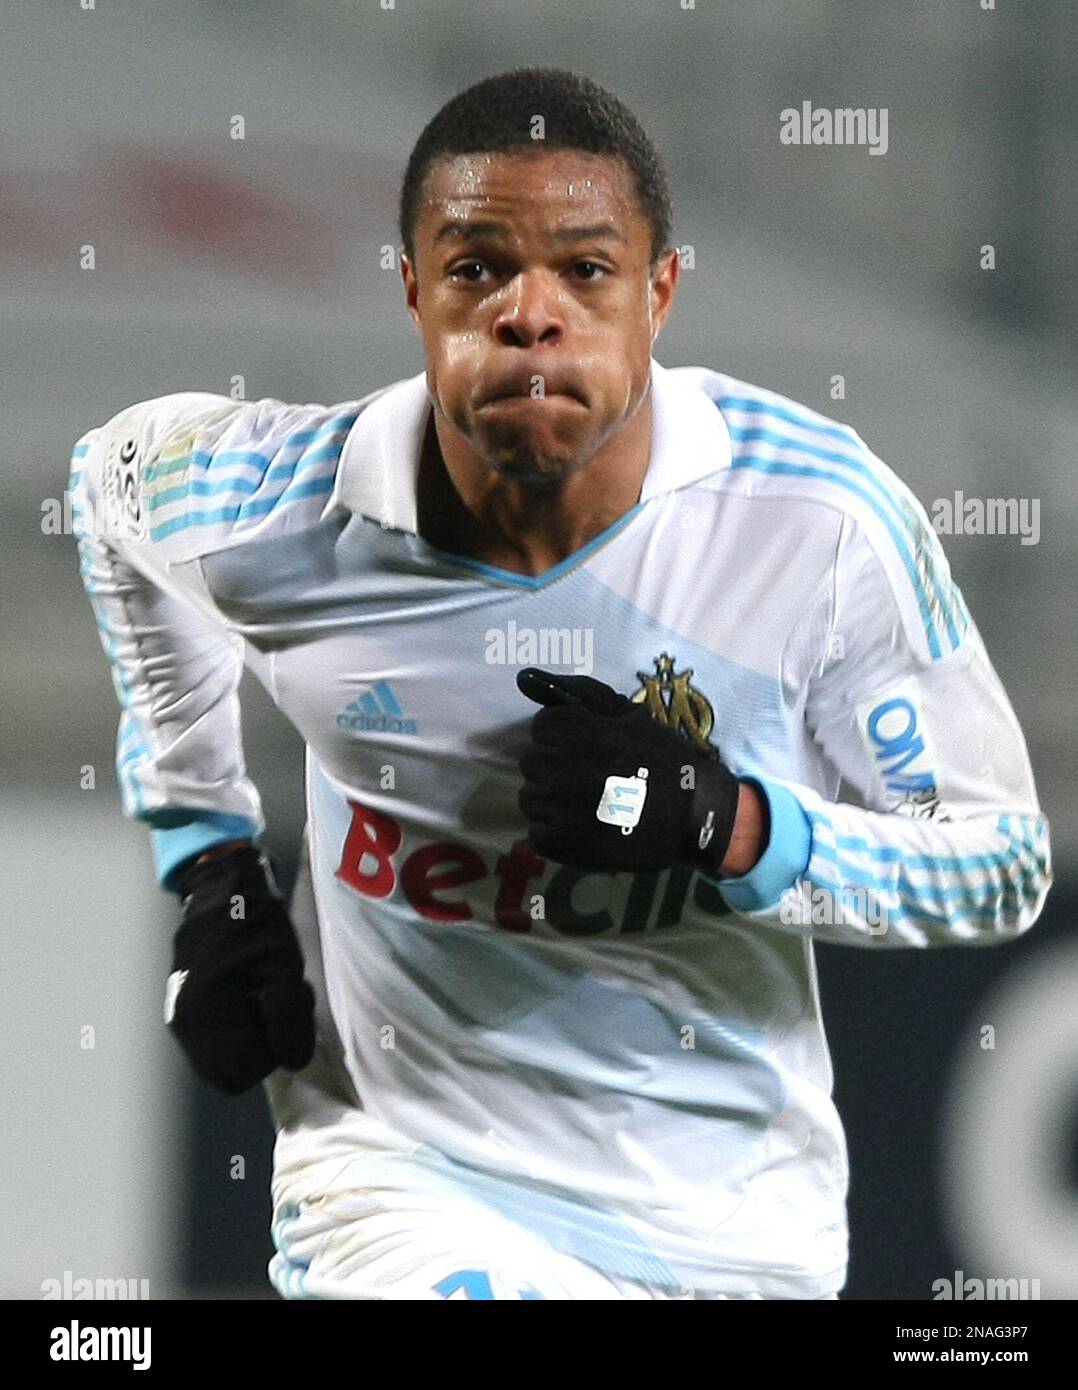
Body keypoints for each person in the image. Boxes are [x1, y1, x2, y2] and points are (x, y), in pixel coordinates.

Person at [69, 68, 1051, 1300]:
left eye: (585, 270)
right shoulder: (273, 502)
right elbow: (103, 494)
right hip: (405, 1183)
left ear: (660, 294)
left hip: (736, 1230)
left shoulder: (814, 521)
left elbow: (996, 864)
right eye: (478, 268)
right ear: (415, 291)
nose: (530, 315)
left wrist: (726, 823)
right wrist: (206, 862)